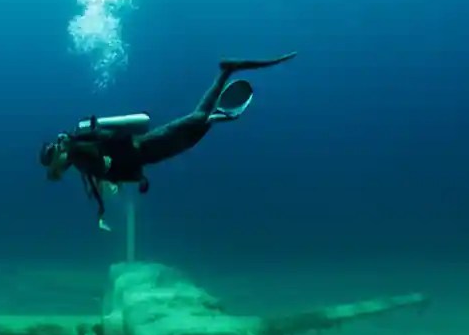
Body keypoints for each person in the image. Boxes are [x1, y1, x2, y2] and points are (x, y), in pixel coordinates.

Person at [39, 52, 297, 230]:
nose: (57, 167)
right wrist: (114, 192)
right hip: (147, 150)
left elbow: (104, 156)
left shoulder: (77, 150)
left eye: (54, 160)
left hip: (148, 147)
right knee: (195, 124)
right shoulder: (77, 157)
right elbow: (100, 174)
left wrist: (117, 175)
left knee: (195, 126)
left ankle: (224, 80)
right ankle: (225, 74)